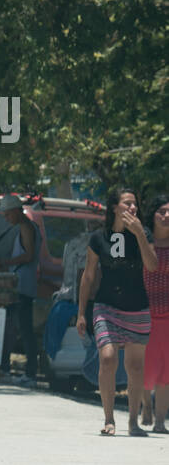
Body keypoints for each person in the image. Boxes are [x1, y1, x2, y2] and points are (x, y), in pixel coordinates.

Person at [77, 186, 158, 436]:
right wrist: (81, 313)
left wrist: (140, 235)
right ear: (114, 207)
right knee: (109, 357)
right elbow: (89, 276)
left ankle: (133, 422)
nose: (133, 208)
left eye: (135, 204)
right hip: (106, 306)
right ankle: (109, 419)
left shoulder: (142, 234)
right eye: (127, 204)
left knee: (135, 366)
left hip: (137, 307)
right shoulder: (99, 238)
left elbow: (153, 266)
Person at [0, 195, 41, 385]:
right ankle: (5, 367)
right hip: (20, 285)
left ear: (15, 211)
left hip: (23, 286)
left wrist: (5, 263)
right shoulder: (24, 227)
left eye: (7, 214)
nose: (6, 218)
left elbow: (28, 256)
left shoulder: (27, 227)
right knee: (11, 328)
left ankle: (30, 374)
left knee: (24, 330)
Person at [142, 194, 169, 433]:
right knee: (144, 365)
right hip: (143, 312)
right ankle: (146, 407)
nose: (167, 216)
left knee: (166, 370)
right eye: (162, 211)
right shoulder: (142, 240)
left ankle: (160, 420)